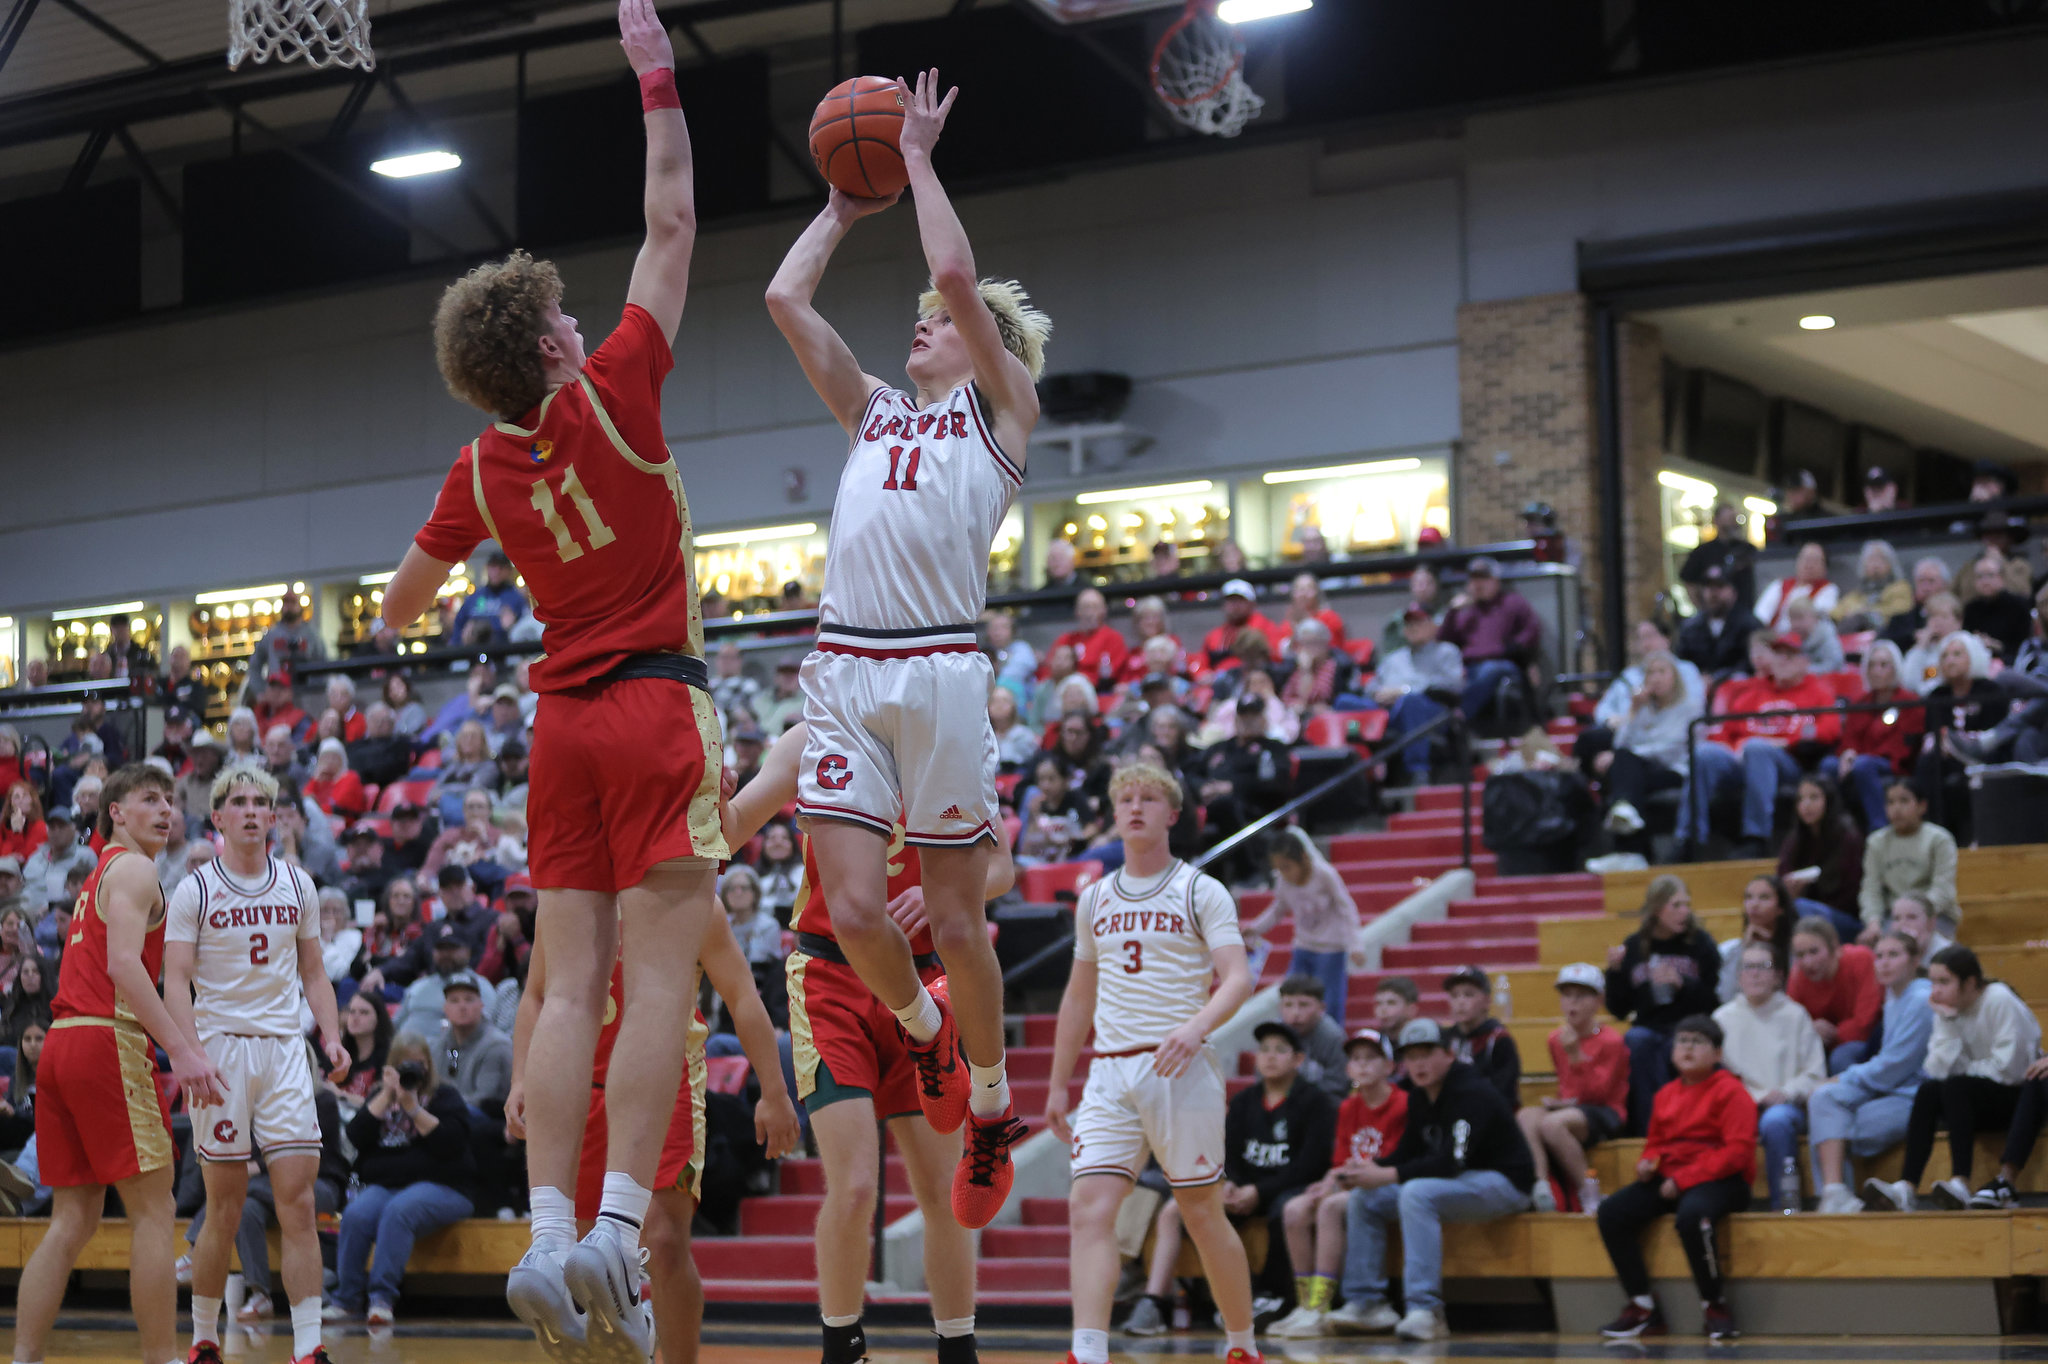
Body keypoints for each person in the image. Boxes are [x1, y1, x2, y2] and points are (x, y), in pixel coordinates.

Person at [382, 0, 728, 1338]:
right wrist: (656, 75)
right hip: (653, 701)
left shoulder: (478, 467)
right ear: (548, 345)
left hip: (559, 724)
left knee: (568, 980)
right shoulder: (620, 384)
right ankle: (617, 1234)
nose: (586, 317)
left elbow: (403, 606)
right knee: (660, 981)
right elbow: (671, 221)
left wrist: (453, 587)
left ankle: (543, 1237)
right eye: (566, 313)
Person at [767, 68, 1046, 1228]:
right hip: (844, 667)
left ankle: (990, 1103)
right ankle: (926, 1034)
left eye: (938, 321)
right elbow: (784, 297)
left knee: (960, 921)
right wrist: (840, 206)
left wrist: (919, 160)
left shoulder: (1001, 409)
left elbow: (954, 278)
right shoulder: (872, 410)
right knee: (852, 912)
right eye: (919, 320)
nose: (921, 321)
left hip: (937, 670)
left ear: (984, 346)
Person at [723, 722, 1001, 1364]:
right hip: (830, 978)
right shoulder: (809, 736)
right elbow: (730, 831)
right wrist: (711, 795)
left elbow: (1001, 867)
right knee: (852, 1187)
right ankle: (842, 1346)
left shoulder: (948, 729)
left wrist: (940, 895)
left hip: (923, 981)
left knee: (944, 1191)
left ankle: (958, 1347)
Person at [507, 905, 799, 1364]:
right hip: (577, 1087)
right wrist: (521, 1078)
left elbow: (741, 993)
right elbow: (535, 995)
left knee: (662, 1240)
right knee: (582, 1257)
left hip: (666, 1083)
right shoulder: (567, 895)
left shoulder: (690, 893)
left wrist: (774, 1091)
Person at [1043, 763, 1259, 1364]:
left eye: (1148, 798)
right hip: (1109, 1072)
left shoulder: (1200, 890)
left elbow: (1238, 978)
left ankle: (1242, 1345)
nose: (1135, 807)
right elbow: (1078, 996)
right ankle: (1088, 1351)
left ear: (1173, 814)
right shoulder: (1094, 898)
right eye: (1126, 800)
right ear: (1114, 815)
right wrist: (1058, 1083)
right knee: (1088, 1209)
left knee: (1201, 1212)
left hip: (1179, 1067)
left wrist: (1195, 1027)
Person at [13, 764, 226, 1364]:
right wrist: (180, 1051)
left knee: (72, 1220)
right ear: (116, 812)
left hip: (61, 1044)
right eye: (149, 799)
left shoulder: (98, 874)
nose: (165, 810)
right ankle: (161, 1356)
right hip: (106, 1040)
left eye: (169, 800)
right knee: (155, 1212)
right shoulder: (135, 868)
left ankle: (23, 1356)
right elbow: (125, 967)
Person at [164, 762, 347, 1364]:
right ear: (217, 817)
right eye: (237, 802)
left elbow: (314, 973)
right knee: (225, 1205)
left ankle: (309, 1345)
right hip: (220, 1054)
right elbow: (175, 981)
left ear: (272, 817)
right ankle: (204, 1338)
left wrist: (332, 1036)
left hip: (285, 1051)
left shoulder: (298, 884)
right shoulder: (195, 889)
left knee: (300, 1203)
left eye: (258, 803)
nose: (249, 811)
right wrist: (189, 1053)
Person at [1327, 1018, 1535, 1342]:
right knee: (1365, 1198)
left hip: (1505, 1183)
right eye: (1411, 1057)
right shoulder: (1419, 1096)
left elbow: (1452, 1161)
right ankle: (1367, 1303)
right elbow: (1407, 1153)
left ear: (1449, 1054)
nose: (1418, 1064)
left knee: (1416, 1192)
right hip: (1460, 1182)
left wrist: (1387, 1175)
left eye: (1426, 1054)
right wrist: (1366, 1170)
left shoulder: (1471, 1092)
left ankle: (1426, 1310)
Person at [1131, 1021, 1334, 1327]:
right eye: (1264, 1050)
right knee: (1175, 1210)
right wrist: (1232, 1184)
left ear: (1298, 1059)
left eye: (1280, 1050)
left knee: (1284, 1210)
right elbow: (1228, 1154)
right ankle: (1155, 1301)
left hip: (1288, 1188)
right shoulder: (1243, 1101)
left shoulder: (1316, 1102)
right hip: (1245, 1189)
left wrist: (1259, 1192)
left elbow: (1310, 1165)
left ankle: (1275, 1296)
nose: (1270, 1056)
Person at [1595, 1015, 1754, 1343]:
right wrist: (1647, 1163)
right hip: (1671, 1178)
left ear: (1717, 1054)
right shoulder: (1665, 1094)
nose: (1688, 1048)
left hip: (1723, 1179)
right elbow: (1656, 1143)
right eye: (1682, 1041)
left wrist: (1683, 1179)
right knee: (1611, 1212)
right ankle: (1642, 1306)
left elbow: (1737, 1153)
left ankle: (1714, 1304)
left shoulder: (1732, 1091)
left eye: (1698, 1042)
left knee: (1692, 1216)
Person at [1862, 945, 2041, 1212]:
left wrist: (1965, 1069)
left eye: (1944, 982)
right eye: (1933, 982)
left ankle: (1961, 1182)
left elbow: (2010, 1070)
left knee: (1956, 1087)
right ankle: (1906, 1187)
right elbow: (1936, 1070)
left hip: (2019, 1096)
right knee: (1929, 1091)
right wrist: (1949, 1022)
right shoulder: (1948, 1011)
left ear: (1970, 983)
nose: (1935, 991)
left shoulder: (1998, 999)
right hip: (1974, 1095)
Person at [327, 1034, 478, 1324]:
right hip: (389, 1187)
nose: (413, 1070)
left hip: (447, 1187)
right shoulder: (379, 1097)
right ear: (391, 1068)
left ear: (429, 1065)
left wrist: (413, 1108)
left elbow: (451, 1144)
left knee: (399, 1211)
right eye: (404, 1064)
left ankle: (381, 1299)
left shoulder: (445, 1096)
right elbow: (355, 1137)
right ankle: (346, 1300)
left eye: (418, 1063)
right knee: (356, 1214)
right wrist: (386, 1095)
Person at [1266, 1029, 1406, 1339]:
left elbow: (1391, 1161)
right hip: (1351, 1182)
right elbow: (1341, 1158)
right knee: (1294, 1209)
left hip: (1381, 1186)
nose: (1362, 1065)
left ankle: (1321, 1304)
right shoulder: (1347, 1107)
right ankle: (1305, 1304)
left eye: (1371, 1058)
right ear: (1347, 1068)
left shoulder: (1402, 1103)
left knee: (1329, 1207)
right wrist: (1328, 1180)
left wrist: (1338, 1180)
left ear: (1389, 1066)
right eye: (1355, 1059)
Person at [1806, 926, 1932, 1212]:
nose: (1884, 963)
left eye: (1893, 955)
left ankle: (1844, 1206)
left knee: (1834, 1129)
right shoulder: (1893, 996)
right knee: (1822, 1100)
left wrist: (1841, 1077)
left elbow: (1894, 1066)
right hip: (1890, 1088)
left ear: (1915, 961)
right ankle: (1834, 1194)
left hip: (1913, 1094)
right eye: (1879, 956)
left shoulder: (1920, 999)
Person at [1687, 630, 1840, 856]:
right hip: (1743, 760)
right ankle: (1690, 838)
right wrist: (1734, 749)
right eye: (1778, 654)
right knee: (1703, 753)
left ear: (1805, 662)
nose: (1783, 660)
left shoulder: (1818, 691)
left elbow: (1830, 730)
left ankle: (1756, 837)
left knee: (1757, 748)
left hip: (1791, 763)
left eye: (1790, 655)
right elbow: (1724, 731)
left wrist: (1786, 742)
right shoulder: (1753, 691)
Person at [1605, 876, 1721, 1133]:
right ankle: (1650, 1128)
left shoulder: (1701, 943)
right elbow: (1618, 1009)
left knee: (1676, 1045)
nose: (1684, 912)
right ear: (1657, 909)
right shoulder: (1634, 946)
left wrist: (1682, 984)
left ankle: (1677, 1124)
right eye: (1676, 905)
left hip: (1689, 1026)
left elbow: (1715, 1002)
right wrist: (1614, 973)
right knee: (1636, 1041)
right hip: (1649, 1027)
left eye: (1687, 904)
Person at [1714, 941, 1824, 1211]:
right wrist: (1746, 1099)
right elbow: (1716, 1076)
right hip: (1739, 1106)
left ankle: (1785, 1209)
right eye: (1748, 967)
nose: (1755, 973)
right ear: (1738, 976)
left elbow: (1815, 1074)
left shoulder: (1796, 1015)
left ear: (1778, 975)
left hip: (1786, 1106)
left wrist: (1786, 1092)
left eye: (1763, 966)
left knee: (1776, 1121)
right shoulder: (1721, 1019)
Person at [1519, 963, 1628, 1213]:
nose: (1572, 1003)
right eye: (1567, 995)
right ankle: (1541, 1187)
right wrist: (1562, 1101)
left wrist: (1576, 1055)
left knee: (1551, 1124)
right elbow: (1569, 1087)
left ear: (1599, 1001)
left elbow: (1599, 1094)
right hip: (1573, 1108)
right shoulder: (1555, 1039)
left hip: (1606, 1112)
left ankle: (1589, 1191)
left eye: (1581, 996)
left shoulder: (1611, 1040)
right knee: (1526, 1116)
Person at [1243, 829, 1364, 1027]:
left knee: (1330, 1001)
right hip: (1303, 946)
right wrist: (1255, 928)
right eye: (1278, 869)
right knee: (1290, 992)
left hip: (1331, 948)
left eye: (1287, 867)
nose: (1284, 873)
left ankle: (1331, 1038)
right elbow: (1278, 909)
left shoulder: (1324, 874)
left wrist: (1355, 945)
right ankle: (1289, 1035)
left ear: (1303, 858)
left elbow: (1346, 908)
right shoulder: (1283, 880)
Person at [1597, 650, 1700, 839]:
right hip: (1644, 767)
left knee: (1624, 771)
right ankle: (1626, 815)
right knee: (1624, 765)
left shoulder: (1689, 708)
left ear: (1675, 676)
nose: (1656, 678)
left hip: (1674, 770)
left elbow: (1670, 748)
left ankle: (1626, 833)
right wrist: (1633, 710)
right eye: (1651, 673)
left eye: (1662, 671)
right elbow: (1620, 742)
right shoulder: (1643, 706)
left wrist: (1635, 753)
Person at [1914, 632, 2006, 842]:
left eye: (1957, 654)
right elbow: (1931, 736)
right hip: (1944, 761)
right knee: (1927, 764)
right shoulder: (1937, 695)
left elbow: (1996, 735)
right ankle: (1930, 833)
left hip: (1983, 759)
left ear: (1973, 656)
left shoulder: (1991, 690)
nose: (1950, 660)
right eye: (1945, 656)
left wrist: (1957, 742)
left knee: (1957, 782)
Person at [1359, 605, 1463, 786]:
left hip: (1430, 712)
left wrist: (1405, 690)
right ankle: (1357, 773)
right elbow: (1371, 686)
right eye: (1409, 624)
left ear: (1433, 626)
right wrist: (1377, 693)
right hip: (1390, 712)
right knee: (1344, 702)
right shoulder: (1394, 658)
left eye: (1419, 623)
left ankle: (1418, 772)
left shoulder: (1446, 651)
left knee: (1411, 702)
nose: (1413, 628)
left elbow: (1453, 685)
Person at [1829, 639, 1924, 831]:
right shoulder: (1860, 703)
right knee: (1828, 765)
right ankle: (1834, 829)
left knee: (1864, 765)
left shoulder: (1910, 702)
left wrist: (1860, 757)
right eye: (1871, 665)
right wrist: (1848, 752)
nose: (1876, 670)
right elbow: (1850, 738)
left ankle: (1881, 828)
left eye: (1883, 665)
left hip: (1892, 763)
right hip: (1861, 761)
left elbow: (1905, 745)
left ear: (1896, 668)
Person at [1437, 557, 1541, 723]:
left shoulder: (1512, 602)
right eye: (1474, 579)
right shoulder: (1463, 610)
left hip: (1503, 663)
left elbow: (1532, 630)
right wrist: (1452, 612)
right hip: (1468, 667)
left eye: (1484, 579)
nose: (1478, 584)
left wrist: (1514, 649)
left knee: (1492, 669)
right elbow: (1443, 641)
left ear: (1496, 581)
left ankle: (1459, 715)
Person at [1857, 779, 1958, 944]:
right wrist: (1873, 921)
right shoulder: (1876, 842)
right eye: (1890, 802)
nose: (1896, 808)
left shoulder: (1939, 839)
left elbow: (1943, 889)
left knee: (1918, 946)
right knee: (1877, 947)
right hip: (1893, 917)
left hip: (1936, 915)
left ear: (1922, 806)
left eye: (1904, 801)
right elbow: (1870, 889)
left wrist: (1915, 914)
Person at [1787, 917, 1882, 1076]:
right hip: (1818, 1045)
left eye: (1814, 951)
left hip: (1868, 1042)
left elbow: (1865, 1024)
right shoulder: (1798, 974)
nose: (1807, 962)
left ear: (1834, 947)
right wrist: (1810, 1029)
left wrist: (1831, 1034)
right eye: (1800, 955)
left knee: (1841, 1057)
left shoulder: (1861, 959)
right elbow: (1791, 1024)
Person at [429, 971, 512, 1110]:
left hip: (487, 1118)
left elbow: (485, 1101)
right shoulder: (438, 1045)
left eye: (469, 999)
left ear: (481, 1005)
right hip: (449, 1114)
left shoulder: (497, 1046)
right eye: (454, 1000)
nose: (462, 1006)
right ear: (445, 1008)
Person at [1443, 965, 1520, 1105]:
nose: (1460, 1002)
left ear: (1487, 1001)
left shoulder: (1498, 1040)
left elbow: (1504, 1091)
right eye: (1454, 995)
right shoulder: (1445, 1039)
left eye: (1468, 995)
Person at [1715, 874, 1798, 1003]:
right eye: (1749, 897)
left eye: (1764, 897)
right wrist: (1746, 948)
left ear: (1781, 908)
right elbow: (1726, 996)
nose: (1754, 904)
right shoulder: (1734, 950)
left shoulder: (1795, 948)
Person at [1275, 974, 1351, 1103]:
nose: (1295, 1013)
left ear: (1322, 1008)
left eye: (1303, 1005)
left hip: (1322, 1102)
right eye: (1288, 1005)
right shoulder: (1273, 1035)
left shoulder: (1333, 1036)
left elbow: (1338, 1084)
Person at [1675, 561, 1757, 677]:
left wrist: (1719, 678)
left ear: (1733, 591)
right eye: (1708, 587)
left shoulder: (1750, 625)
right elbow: (1682, 662)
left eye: (1720, 586)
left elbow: (1750, 663)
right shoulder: (1690, 628)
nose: (1713, 593)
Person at [1679, 505, 1757, 614]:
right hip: (1716, 614)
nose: (1733, 523)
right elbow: (1689, 582)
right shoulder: (1703, 552)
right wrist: (1702, 610)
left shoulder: (1748, 550)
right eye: (1729, 519)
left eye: (1734, 518)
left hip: (1746, 612)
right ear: (1716, 520)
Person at [328, 991, 394, 1113]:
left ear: (378, 1019)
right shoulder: (341, 1052)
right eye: (352, 1011)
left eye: (364, 1012)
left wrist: (340, 1095)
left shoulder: (388, 1057)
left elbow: (378, 1104)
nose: (355, 1017)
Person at [1962, 550, 2031, 662]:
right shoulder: (1970, 608)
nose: (1985, 582)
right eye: (1980, 577)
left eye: (1990, 575)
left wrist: (1997, 646)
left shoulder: (2019, 606)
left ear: (2001, 578)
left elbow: (2025, 646)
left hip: (2012, 661)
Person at [1055, 588, 1128, 692]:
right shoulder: (1065, 640)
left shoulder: (1114, 638)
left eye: (1095, 607)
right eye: (1085, 608)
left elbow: (1111, 675)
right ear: (1077, 611)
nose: (1089, 613)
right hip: (1067, 692)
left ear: (1104, 611)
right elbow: (1050, 670)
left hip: (1101, 693)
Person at [1833, 540, 1913, 634]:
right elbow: (1837, 612)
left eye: (1881, 559)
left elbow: (1900, 610)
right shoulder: (1857, 594)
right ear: (1864, 566)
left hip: (1888, 634)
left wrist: (1867, 612)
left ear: (1890, 564)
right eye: (1871, 560)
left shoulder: (1901, 588)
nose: (1876, 565)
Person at [1755, 541, 1838, 630]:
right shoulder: (1779, 585)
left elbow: (1816, 621)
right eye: (1805, 559)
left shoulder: (1828, 589)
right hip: (1773, 635)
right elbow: (1760, 617)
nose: (1809, 565)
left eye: (1815, 560)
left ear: (1825, 568)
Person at [1898, 593, 1964, 693]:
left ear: (1958, 622)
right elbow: (1909, 682)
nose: (1938, 621)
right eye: (1933, 616)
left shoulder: (1965, 646)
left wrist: (1929, 674)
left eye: (1944, 616)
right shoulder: (1925, 649)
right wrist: (1921, 645)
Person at [720, 864, 782, 966]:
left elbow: (773, 966)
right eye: (732, 888)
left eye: (744, 888)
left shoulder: (768, 926)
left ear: (755, 893)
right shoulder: (721, 927)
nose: (738, 893)